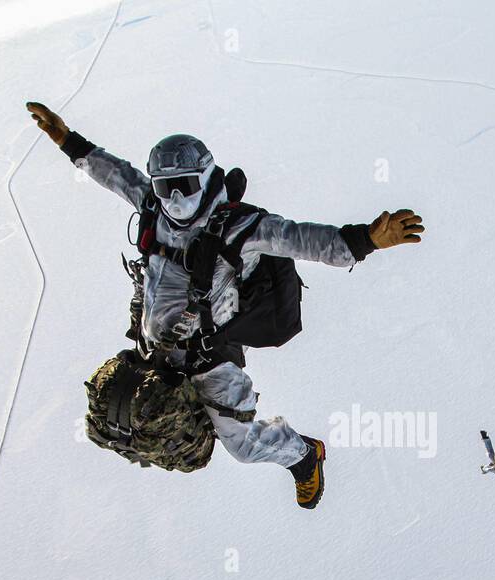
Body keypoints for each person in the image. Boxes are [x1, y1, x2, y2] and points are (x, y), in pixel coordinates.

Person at [26, 102, 423, 508]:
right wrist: (66, 139)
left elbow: (301, 239)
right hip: (155, 343)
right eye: (166, 188)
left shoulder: (239, 227)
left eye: (185, 184)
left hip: (210, 355)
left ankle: (304, 456)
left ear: (204, 179)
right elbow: (113, 173)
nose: (176, 198)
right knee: (124, 411)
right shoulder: (151, 207)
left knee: (244, 446)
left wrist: (366, 240)